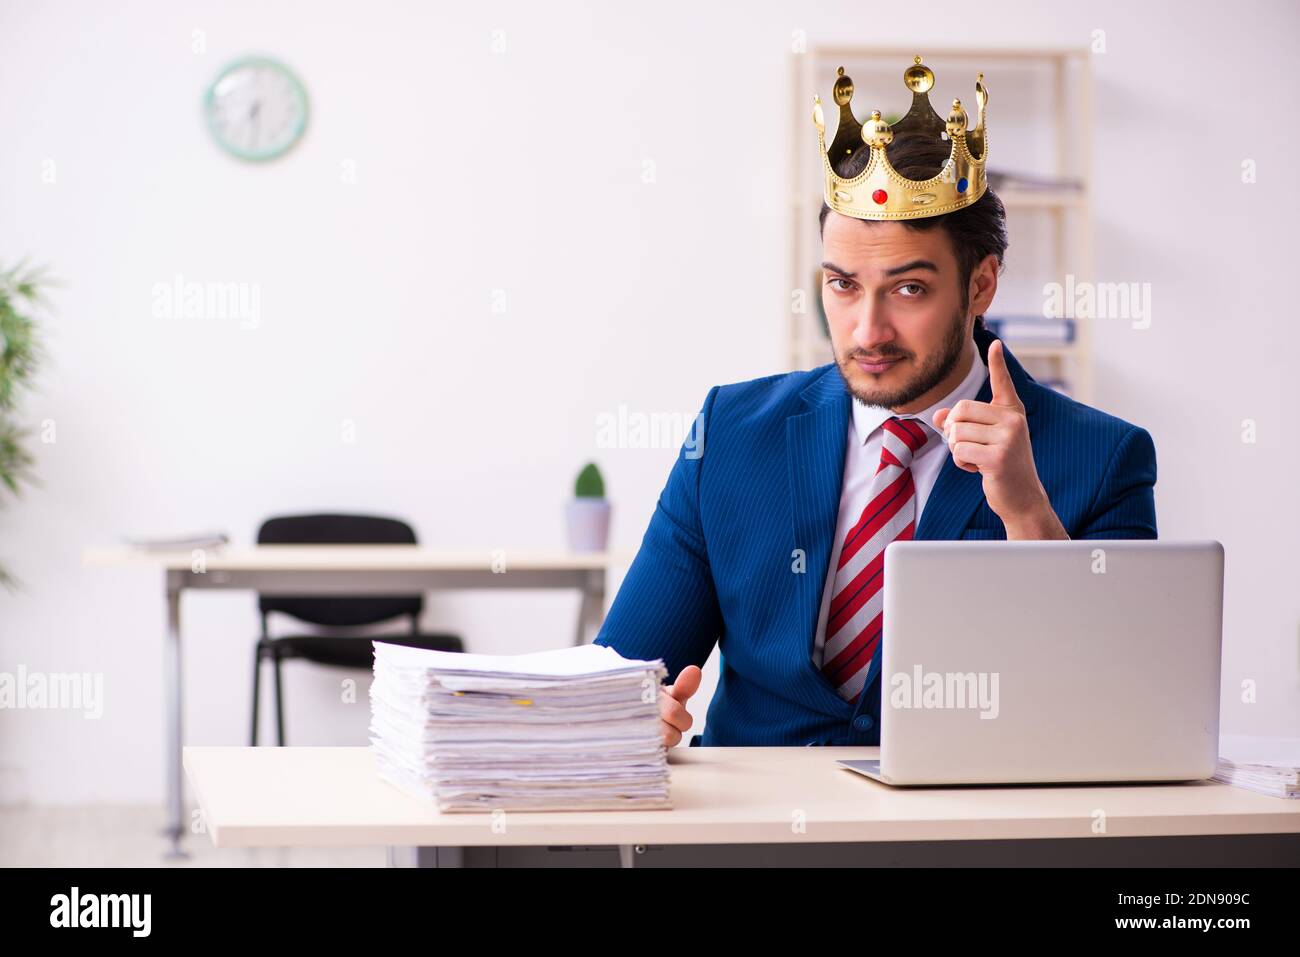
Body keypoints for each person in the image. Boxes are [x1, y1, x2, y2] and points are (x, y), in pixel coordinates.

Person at [594, 58, 1156, 748]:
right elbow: (620, 678)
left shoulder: (1101, 458)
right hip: (757, 836)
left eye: (909, 289)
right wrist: (631, 717)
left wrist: (1029, 517)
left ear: (982, 286)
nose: (867, 330)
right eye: (842, 285)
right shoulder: (733, 435)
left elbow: (1123, 716)